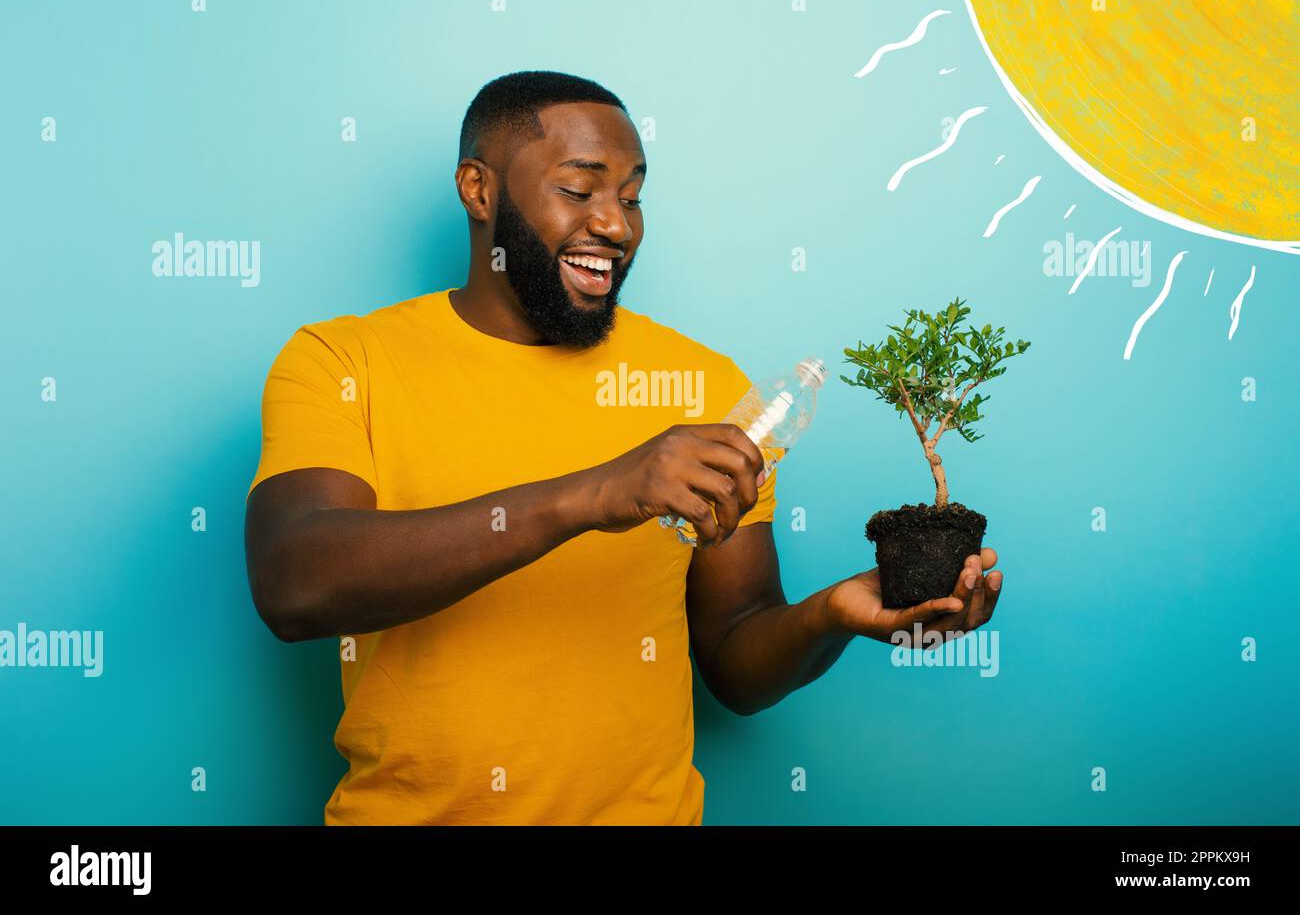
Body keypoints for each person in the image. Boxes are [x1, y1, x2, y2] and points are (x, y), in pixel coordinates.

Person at [244, 70, 1005, 825]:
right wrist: (597, 493)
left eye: (633, 196)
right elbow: (295, 583)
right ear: (478, 190)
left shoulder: (706, 388)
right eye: (580, 190)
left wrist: (829, 617)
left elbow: (737, 658)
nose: (617, 225)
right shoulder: (343, 362)